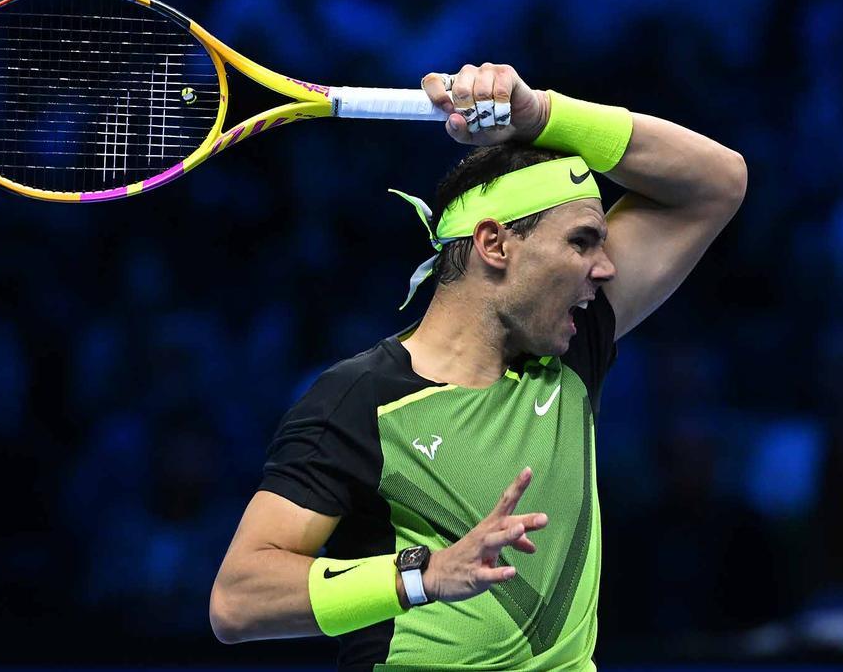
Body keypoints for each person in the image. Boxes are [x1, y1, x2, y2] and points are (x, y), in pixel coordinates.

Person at [209, 62, 747, 670]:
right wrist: (424, 574)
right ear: (495, 245)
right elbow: (238, 599)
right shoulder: (358, 399)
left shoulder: (572, 348)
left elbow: (717, 180)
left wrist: (542, 114)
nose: (605, 268)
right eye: (581, 242)